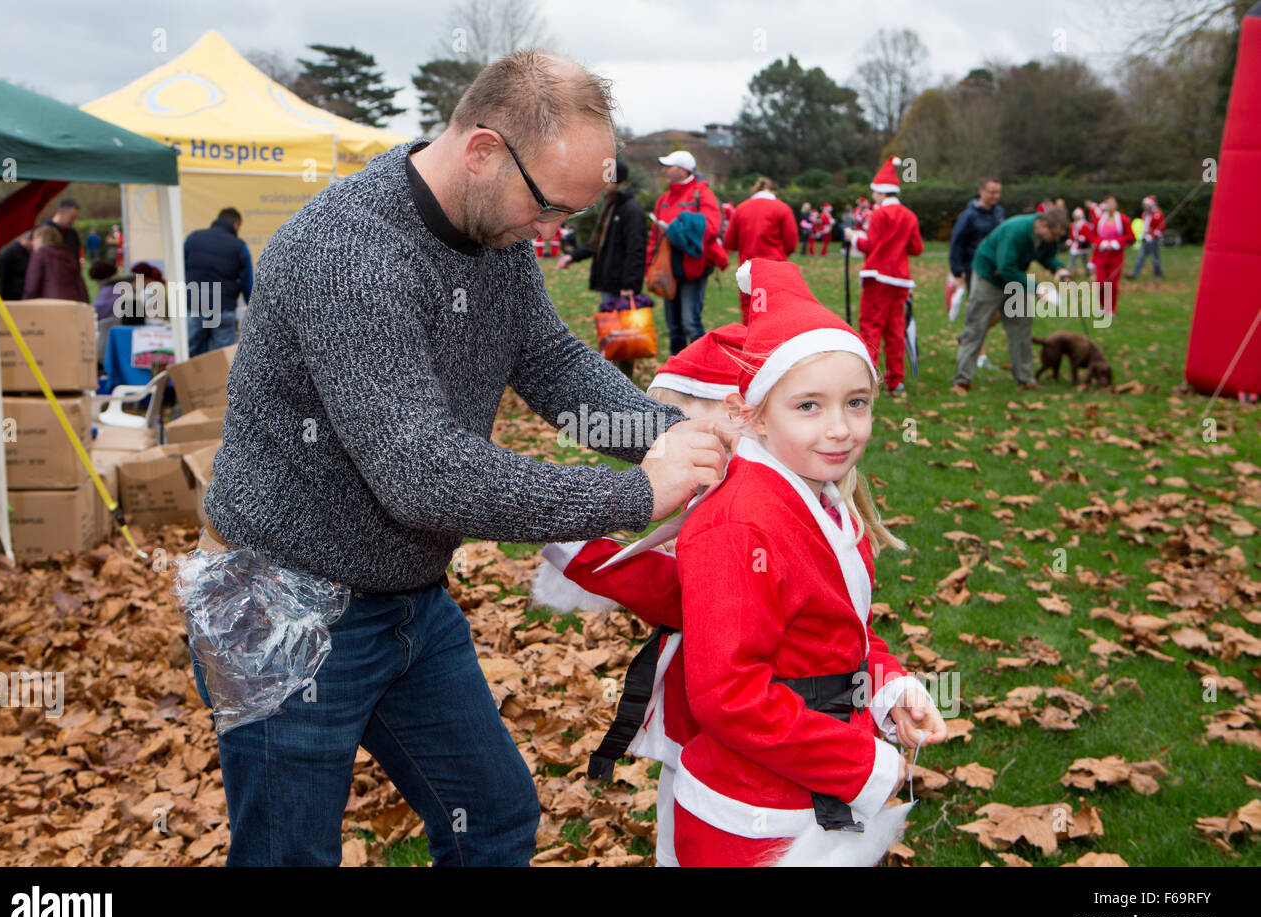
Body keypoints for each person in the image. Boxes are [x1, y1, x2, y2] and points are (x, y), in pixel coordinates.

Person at [189, 50, 728, 868]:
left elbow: (546, 359)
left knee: (497, 817)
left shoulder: (494, 227)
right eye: (547, 208)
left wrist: (664, 436)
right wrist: (634, 496)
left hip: (406, 600)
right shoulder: (351, 254)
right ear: (482, 149)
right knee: (286, 854)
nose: (550, 234)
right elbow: (421, 472)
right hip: (283, 605)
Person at [669, 258, 947, 866]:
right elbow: (728, 695)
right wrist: (863, 763)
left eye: (856, 402)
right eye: (809, 407)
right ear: (753, 415)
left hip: (804, 783)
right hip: (754, 816)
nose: (841, 429)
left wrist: (886, 683)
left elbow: (834, 630)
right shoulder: (742, 524)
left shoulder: (816, 497)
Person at [533, 322, 748, 867]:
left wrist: (570, 538)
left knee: (696, 830)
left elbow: (674, 589)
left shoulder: (744, 518)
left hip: (725, 722)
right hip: (734, 717)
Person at [952, 206, 1071, 392]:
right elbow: (1005, 266)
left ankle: (1024, 379)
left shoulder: (1048, 237)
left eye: (1059, 237)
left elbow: (1047, 256)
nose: (1056, 240)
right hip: (989, 276)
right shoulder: (1016, 231)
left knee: (1022, 326)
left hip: (1015, 278)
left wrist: (1059, 269)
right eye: (1054, 235)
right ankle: (962, 379)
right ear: (1043, 224)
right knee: (976, 326)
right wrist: (1036, 288)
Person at [555, 158, 647, 377]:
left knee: (623, 336)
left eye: (607, 178)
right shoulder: (611, 206)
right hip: (609, 280)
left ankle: (622, 381)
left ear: (617, 181)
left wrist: (630, 285)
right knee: (613, 335)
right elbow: (598, 243)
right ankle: (615, 378)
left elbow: (636, 250)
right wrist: (573, 257)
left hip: (620, 285)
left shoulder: (630, 210)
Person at [843, 156, 923, 395]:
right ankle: (895, 379)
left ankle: (867, 379)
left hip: (878, 277)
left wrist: (852, 237)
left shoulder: (878, 215)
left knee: (871, 327)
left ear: (880, 192)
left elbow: (870, 244)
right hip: (900, 280)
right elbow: (917, 248)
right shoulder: (909, 215)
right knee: (895, 329)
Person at [645, 150, 721, 355]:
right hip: (668, 268)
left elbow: (712, 228)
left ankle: (703, 368)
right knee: (674, 327)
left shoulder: (702, 194)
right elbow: (654, 238)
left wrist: (677, 230)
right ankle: (676, 373)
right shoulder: (663, 199)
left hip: (693, 268)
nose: (664, 170)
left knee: (691, 323)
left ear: (683, 169)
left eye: (669, 166)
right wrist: (649, 266)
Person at [183, 207, 253, 357]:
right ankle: (218, 381)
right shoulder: (240, 246)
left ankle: (187, 380)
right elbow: (248, 281)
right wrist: (251, 305)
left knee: (188, 354)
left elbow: (180, 268)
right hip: (223, 307)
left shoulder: (193, 238)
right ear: (236, 224)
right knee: (221, 358)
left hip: (194, 304)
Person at [947, 177, 1005, 321]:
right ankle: (971, 336)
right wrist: (957, 273)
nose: (996, 196)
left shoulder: (1000, 213)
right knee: (979, 308)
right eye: (992, 192)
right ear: (981, 191)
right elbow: (956, 244)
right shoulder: (968, 217)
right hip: (974, 268)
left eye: (998, 192)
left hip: (999, 267)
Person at [1083, 193, 1134, 323]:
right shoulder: (1098, 219)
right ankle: (1101, 305)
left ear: (1116, 204)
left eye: (1112, 202)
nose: (1110, 205)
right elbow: (1091, 235)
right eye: (1107, 202)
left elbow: (1130, 236)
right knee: (1100, 281)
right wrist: (1102, 243)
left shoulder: (1123, 219)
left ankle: (1111, 308)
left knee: (1112, 283)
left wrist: (1117, 243)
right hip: (1100, 255)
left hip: (1116, 256)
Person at [723, 176, 797, 266]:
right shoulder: (783, 208)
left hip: (748, 266)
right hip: (775, 264)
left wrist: (744, 246)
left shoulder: (740, 209)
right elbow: (791, 243)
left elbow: (729, 241)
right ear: (774, 191)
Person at [22, 225, 89, 302]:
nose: (33, 242)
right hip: (73, 303)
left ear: (40, 239)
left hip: (51, 305)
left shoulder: (39, 254)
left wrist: (25, 303)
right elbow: (80, 283)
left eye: (34, 239)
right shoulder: (68, 255)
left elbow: (31, 286)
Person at [1127, 195, 1166, 280]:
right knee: (1140, 257)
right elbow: (1144, 226)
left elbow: (1161, 228)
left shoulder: (1157, 214)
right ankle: (1134, 274)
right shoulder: (1144, 214)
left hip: (1153, 240)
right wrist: (1143, 235)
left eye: (1146, 204)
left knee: (1155, 258)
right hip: (1145, 239)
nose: (1144, 206)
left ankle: (1158, 275)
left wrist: (1152, 236)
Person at [40, 198, 81, 262]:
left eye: (75, 218)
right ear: (60, 212)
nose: (74, 221)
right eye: (72, 217)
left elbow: (76, 255)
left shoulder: (73, 233)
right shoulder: (43, 230)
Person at [0, 231, 33, 302]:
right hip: (10, 296)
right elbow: (0, 272)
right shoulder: (11, 250)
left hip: (15, 295)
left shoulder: (24, 251)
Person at [1066, 207, 1092, 275]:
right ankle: (1068, 272)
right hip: (1075, 245)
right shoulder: (1072, 225)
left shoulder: (1085, 225)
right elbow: (1071, 236)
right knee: (1072, 259)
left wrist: (1082, 238)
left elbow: (1088, 235)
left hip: (1083, 246)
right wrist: (1069, 241)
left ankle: (1087, 272)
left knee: (1085, 260)